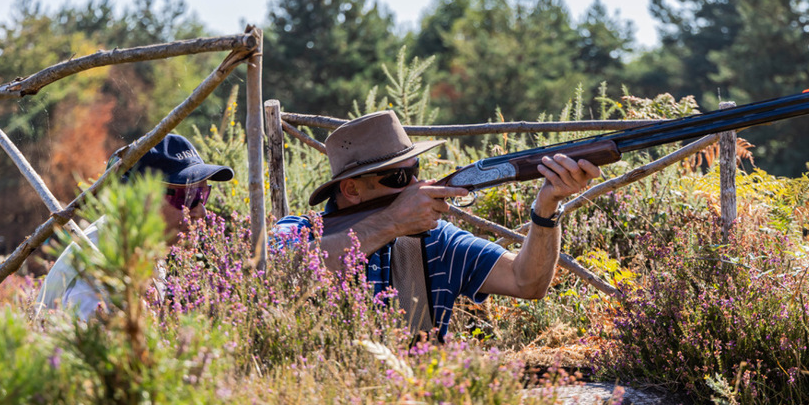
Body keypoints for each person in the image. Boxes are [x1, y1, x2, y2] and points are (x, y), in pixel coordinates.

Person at [273, 111, 601, 340]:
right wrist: (390, 222)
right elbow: (276, 276)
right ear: (352, 190)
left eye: (415, 170)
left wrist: (547, 207)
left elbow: (526, 282)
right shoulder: (300, 233)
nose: (416, 184)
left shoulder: (435, 241)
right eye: (398, 178)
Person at [35, 134, 234, 320]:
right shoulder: (98, 279)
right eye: (188, 197)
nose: (201, 212)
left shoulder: (141, 252)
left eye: (203, 195)